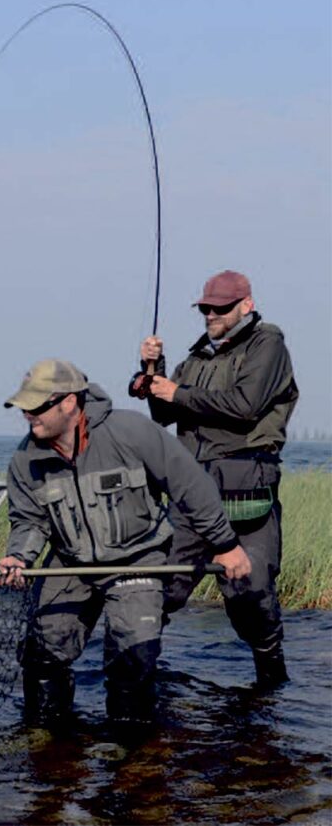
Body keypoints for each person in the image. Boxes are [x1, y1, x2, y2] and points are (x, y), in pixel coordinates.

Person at [0, 359, 251, 726]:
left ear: (69, 403)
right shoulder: (24, 460)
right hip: (70, 561)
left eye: (36, 407)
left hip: (139, 558)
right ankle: (48, 743)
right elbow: (28, 519)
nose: (28, 416)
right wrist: (18, 556)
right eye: (24, 407)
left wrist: (225, 544)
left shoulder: (130, 431)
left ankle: (130, 754)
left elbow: (190, 485)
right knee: (42, 653)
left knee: (132, 656)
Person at [130, 270, 299, 688]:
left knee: (250, 593)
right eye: (205, 308)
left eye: (219, 308)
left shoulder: (268, 344)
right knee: (164, 585)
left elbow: (245, 406)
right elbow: (166, 414)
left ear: (246, 305)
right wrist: (154, 371)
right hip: (193, 491)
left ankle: (271, 685)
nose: (210, 315)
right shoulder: (198, 356)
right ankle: (135, 681)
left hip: (248, 490)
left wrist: (177, 392)